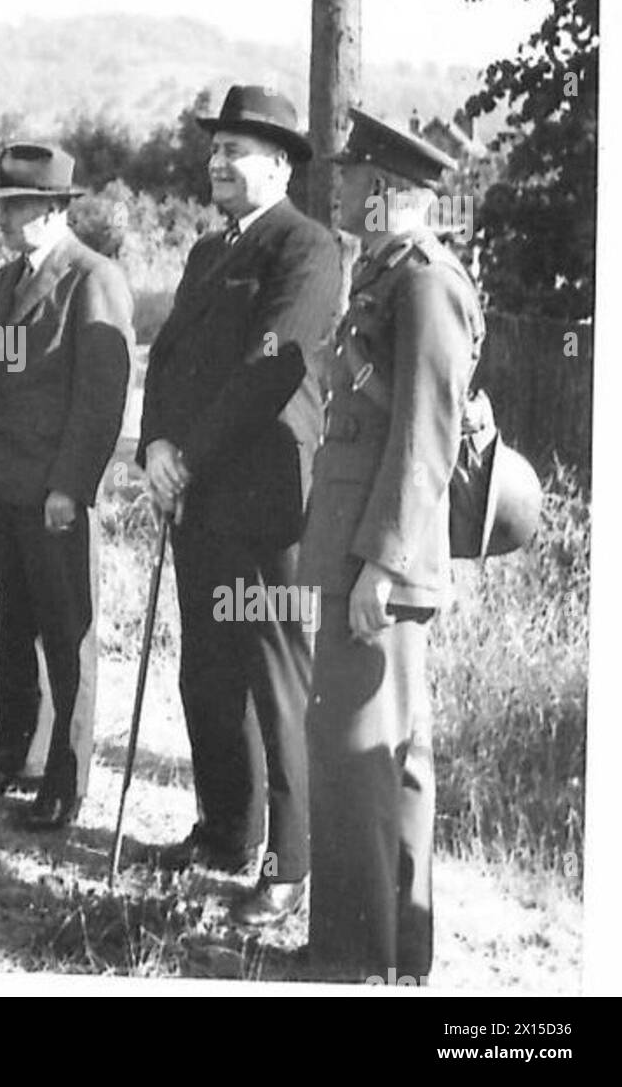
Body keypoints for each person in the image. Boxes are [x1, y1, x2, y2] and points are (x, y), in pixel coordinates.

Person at [138, 85, 341, 926]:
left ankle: (289, 868)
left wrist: (188, 454)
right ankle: (226, 830)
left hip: (268, 502)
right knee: (208, 672)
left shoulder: (308, 248)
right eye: (215, 148)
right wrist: (154, 445)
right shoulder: (205, 252)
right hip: (199, 496)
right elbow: (170, 360)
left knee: (276, 678)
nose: (219, 162)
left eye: (239, 150)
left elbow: (268, 371)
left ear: (281, 164)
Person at [300, 109, 484, 983]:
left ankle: (351, 960)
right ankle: (391, 958)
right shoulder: (384, 271)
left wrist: (383, 561)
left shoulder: (423, 280)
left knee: (358, 762)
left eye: (350, 178)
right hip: (360, 550)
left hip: (378, 563)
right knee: (385, 764)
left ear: (383, 192)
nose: (337, 188)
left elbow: (426, 434)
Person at [0, 142, 133, 831]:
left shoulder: (93, 278)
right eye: (2, 206)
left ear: (57, 208)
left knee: (67, 633)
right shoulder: (6, 280)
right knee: (16, 622)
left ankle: (66, 783)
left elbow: (100, 398)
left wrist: (71, 486)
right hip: (0, 478)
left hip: (52, 490)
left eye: (20, 207)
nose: (6, 219)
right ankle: (15, 758)